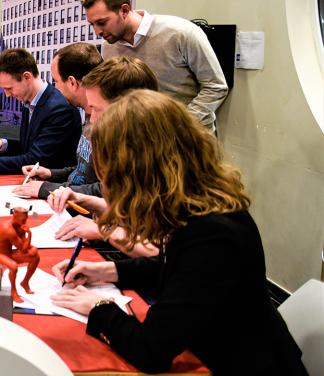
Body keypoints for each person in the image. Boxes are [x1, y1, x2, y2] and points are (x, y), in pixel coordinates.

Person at [48, 90, 307, 375]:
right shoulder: (201, 207)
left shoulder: (212, 235)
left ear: (136, 170)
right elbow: (176, 270)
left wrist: (98, 306)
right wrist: (105, 271)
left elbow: (150, 350)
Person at [44, 57, 161, 257]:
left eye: (97, 109)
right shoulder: (132, 148)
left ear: (131, 106)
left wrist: (104, 230)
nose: (94, 119)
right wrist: (81, 198)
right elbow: (132, 214)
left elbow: (165, 251)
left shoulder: (158, 160)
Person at [82, 0, 227, 132]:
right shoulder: (108, 48)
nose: (97, 31)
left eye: (102, 22)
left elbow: (215, 86)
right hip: (148, 143)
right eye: (92, 24)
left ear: (124, 10)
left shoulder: (181, 33)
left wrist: (182, 124)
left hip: (192, 139)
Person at [0, 48, 81, 174]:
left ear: (26, 77)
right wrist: (3, 144)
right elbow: (31, 147)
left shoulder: (60, 109)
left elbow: (36, 159)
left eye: (9, 88)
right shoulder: (30, 101)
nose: (7, 95)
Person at [12, 43, 102, 199]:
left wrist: (47, 188)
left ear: (73, 82)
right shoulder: (90, 115)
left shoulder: (108, 121)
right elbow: (84, 170)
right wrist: (51, 174)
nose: (57, 88)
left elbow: (105, 189)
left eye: (57, 81)